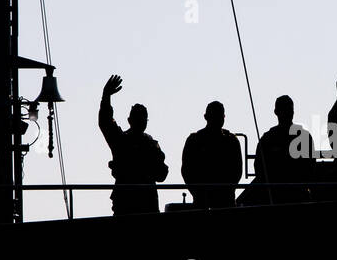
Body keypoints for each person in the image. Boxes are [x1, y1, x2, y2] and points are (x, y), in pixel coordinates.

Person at [100, 74, 168, 214]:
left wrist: (106, 96)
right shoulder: (126, 141)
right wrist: (106, 96)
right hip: (135, 204)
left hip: (138, 204)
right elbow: (105, 122)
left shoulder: (125, 141)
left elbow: (162, 174)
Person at [245, 94, 315, 204]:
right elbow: (259, 168)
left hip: (296, 195)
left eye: (289, 109)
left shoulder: (303, 137)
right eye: (285, 109)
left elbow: (310, 168)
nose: (288, 112)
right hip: (277, 195)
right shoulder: (268, 139)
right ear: (276, 112)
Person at [181, 101, 243, 208]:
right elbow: (187, 170)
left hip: (225, 199)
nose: (217, 119)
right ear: (206, 117)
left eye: (220, 115)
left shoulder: (232, 141)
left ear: (224, 117)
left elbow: (237, 170)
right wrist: (197, 193)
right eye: (214, 115)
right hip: (202, 198)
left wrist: (227, 190)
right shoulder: (194, 140)